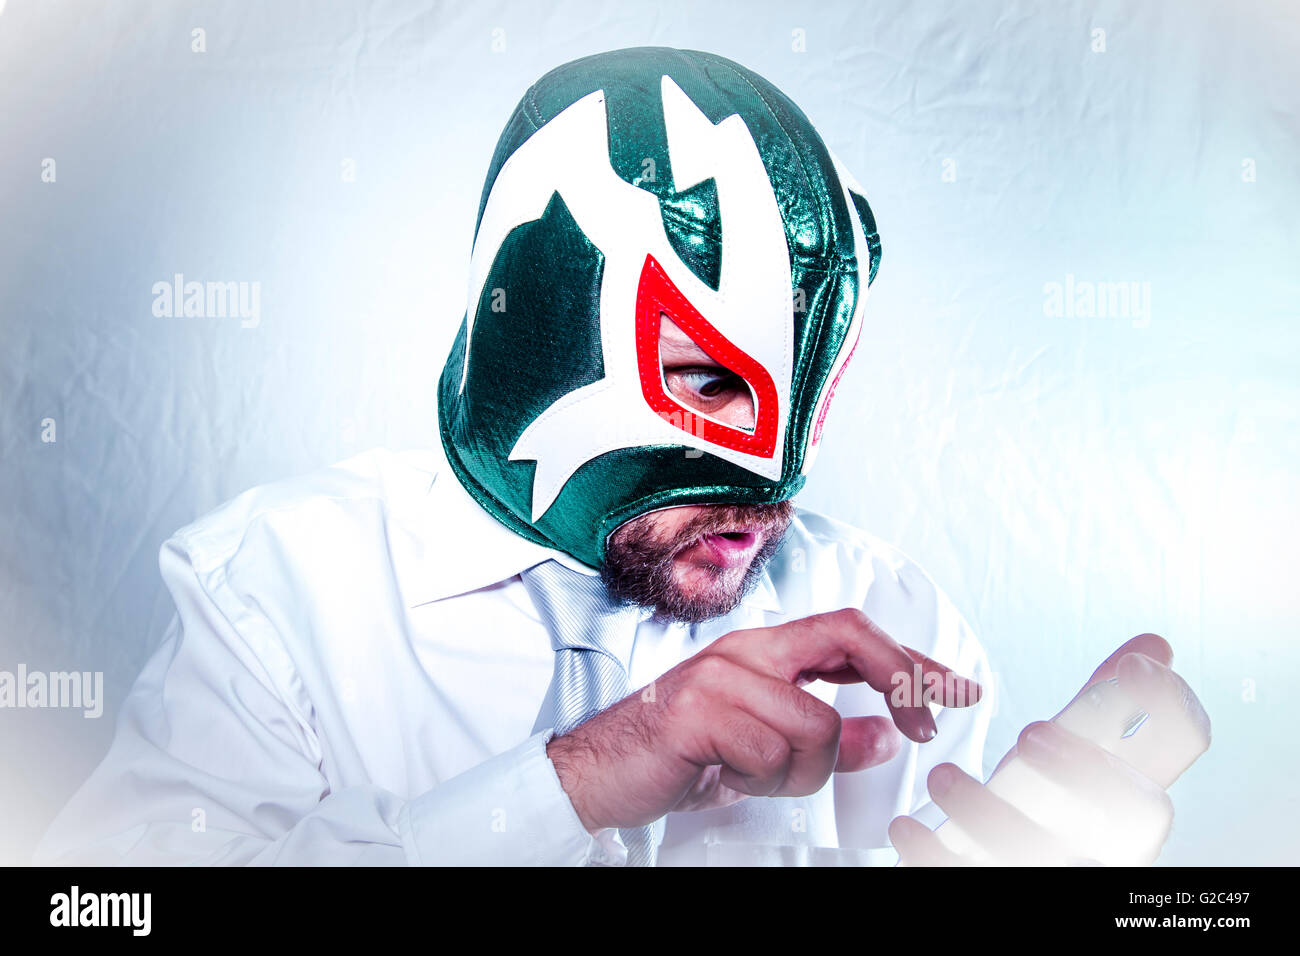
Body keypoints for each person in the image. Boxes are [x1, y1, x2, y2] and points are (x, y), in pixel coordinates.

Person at [34, 46, 1206, 867]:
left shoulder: (892, 620)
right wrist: (578, 779)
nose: (775, 485)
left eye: (808, 398)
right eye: (707, 379)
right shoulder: (283, 593)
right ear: (544, 325)